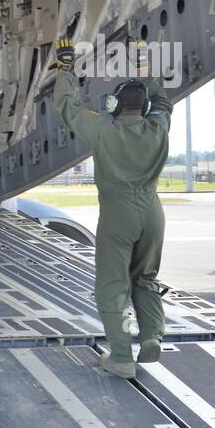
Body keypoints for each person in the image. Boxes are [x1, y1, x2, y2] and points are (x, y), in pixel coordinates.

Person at [45, 37, 172, 379]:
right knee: (145, 277)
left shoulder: (104, 128)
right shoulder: (159, 125)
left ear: (115, 105)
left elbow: (67, 106)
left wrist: (66, 69)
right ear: (143, 107)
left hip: (118, 212)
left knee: (113, 284)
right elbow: (161, 100)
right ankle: (151, 336)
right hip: (152, 210)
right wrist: (144, 67)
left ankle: (120, 357)